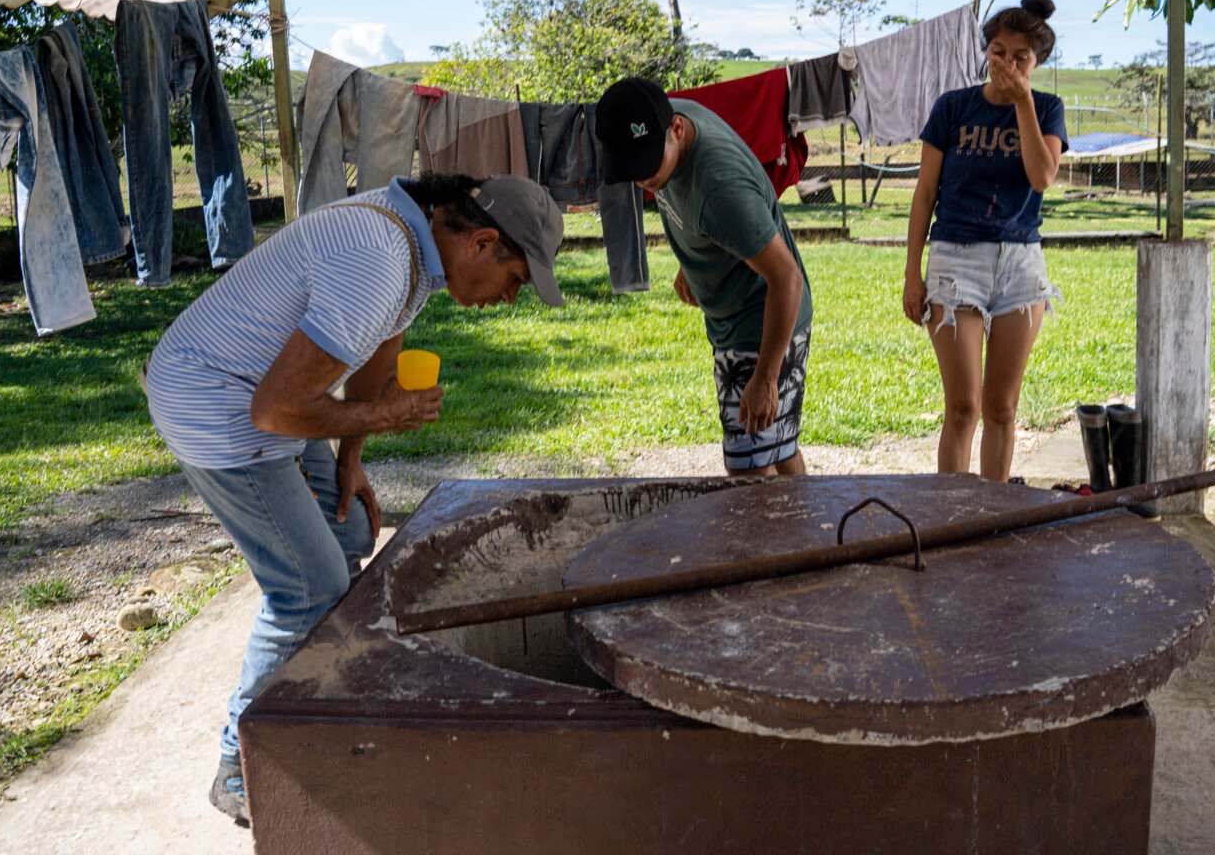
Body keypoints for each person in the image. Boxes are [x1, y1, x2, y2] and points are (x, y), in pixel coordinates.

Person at [142, 173, 564, 824]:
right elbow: (276, 410)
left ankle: (317, 694)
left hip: (258, 393)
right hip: (215, 402)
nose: (509, 299)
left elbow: (379, 349)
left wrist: (352, 457)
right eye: (515, 281)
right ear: (482, 242)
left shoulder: (414, 246)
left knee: (349, 535)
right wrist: (384, 418)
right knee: (309, 586)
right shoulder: (380, 260)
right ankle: (238, 765)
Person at [596, 76, 812, 476]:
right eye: (631, 167)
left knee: (748, 470)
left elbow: (788, 279)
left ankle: (787, 521)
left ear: (677, 129)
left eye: (648, 165)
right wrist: (694, 257)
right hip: (737, 315)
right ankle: (809, 517)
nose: (642, 179)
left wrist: (766, 377)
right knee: (777, 447)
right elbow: (692, 204)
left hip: (763, 320)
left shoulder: (722, 192)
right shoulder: (665, 115)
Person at [901, 0, 1067, 482]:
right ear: (986, 52)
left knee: (1003, 408)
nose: (1007, 64)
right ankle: (954, 511)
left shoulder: (1047, 108)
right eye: (998, 52)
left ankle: (994, 513)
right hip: (956, 262)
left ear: (1037, 62)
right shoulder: (953, 107)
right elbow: (924, 194)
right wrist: (912, 273)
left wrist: (1023, 104)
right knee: (963, 407)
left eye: (1020, 57)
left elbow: (1041, 176)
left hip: (1021, 265)